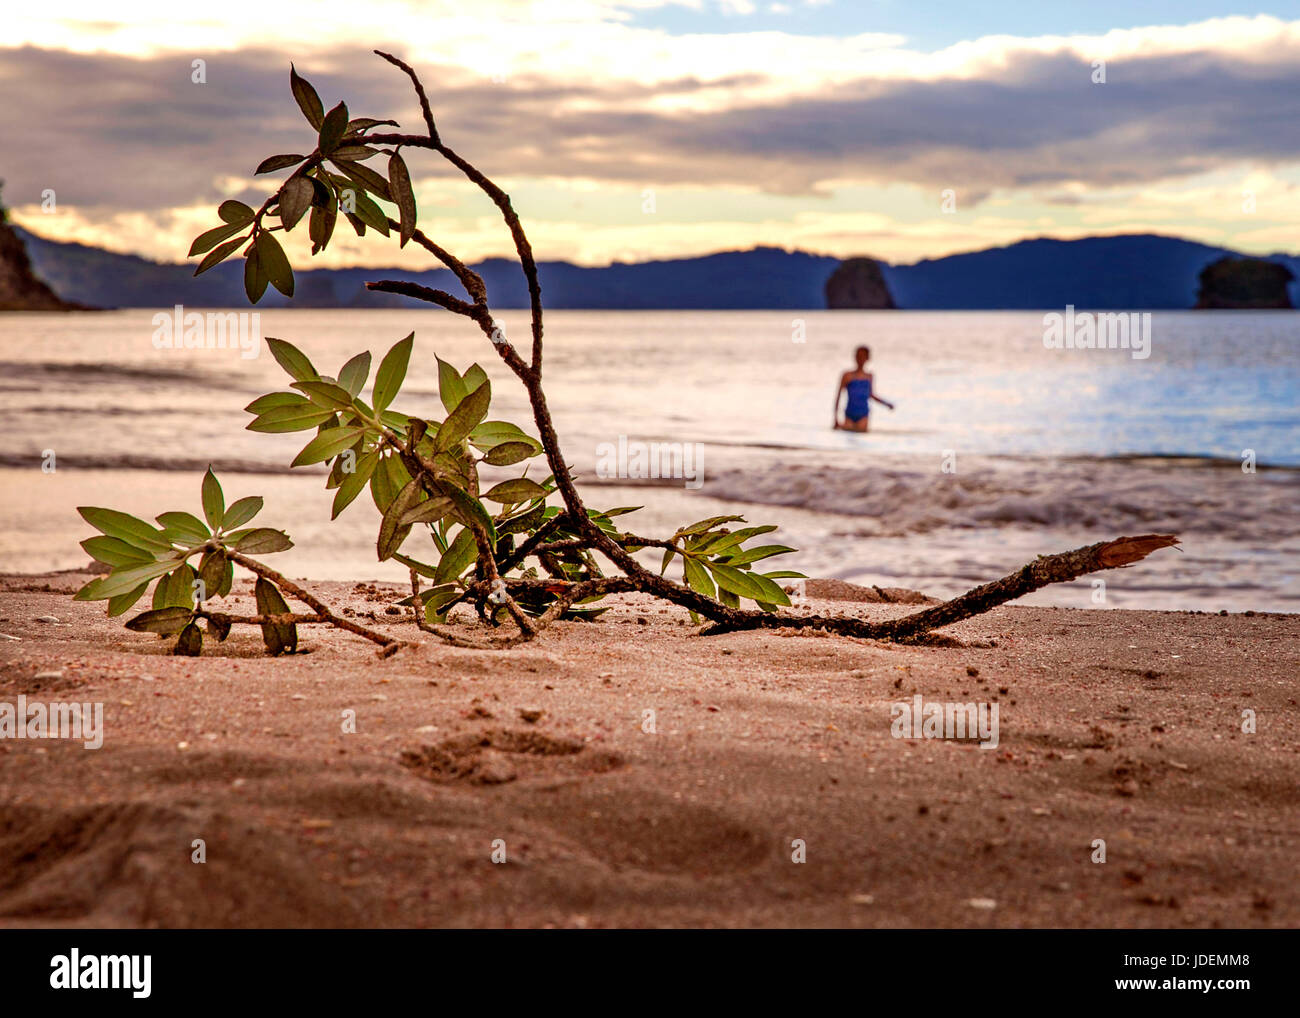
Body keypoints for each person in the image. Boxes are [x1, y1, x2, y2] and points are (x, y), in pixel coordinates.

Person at [833, 346, 894, 432]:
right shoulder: (847, 375)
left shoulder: (869, 376)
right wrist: (835, 418)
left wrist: (886, 404)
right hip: (849, 413)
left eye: (862, 356)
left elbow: (871, 395)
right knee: (847, 431)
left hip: (863, 414)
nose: (860, 359)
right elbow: (838, 396)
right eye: (858, 356)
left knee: (861, 432)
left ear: (867, 358)